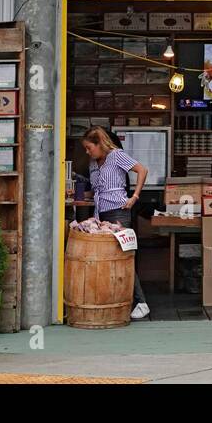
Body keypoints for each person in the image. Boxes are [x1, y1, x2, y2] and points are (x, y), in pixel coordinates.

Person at [82, 125, 150, 320]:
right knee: (109, 257)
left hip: (118, 211)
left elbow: (142, 170)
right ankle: (119, 299)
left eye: (89, 148)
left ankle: (141, 302)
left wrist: (134, 196)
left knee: (125, 255)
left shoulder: (116, 155)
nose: (88, 152)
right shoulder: (93, 164)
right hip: (100, 214)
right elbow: (96, 190)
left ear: (99, 143)